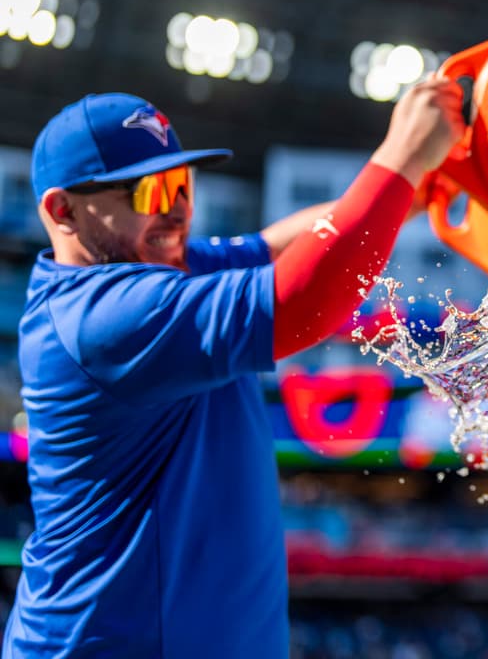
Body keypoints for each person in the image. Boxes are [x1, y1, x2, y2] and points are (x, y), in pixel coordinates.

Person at [3, 82, 462, 658]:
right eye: (149, 190)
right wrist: (400, 158)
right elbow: (301, 299)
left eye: (182, 183)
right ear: (61, 210)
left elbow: (270, 247)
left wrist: (407, 188)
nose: (175, 208)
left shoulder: (156, 259)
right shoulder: (103, 316)